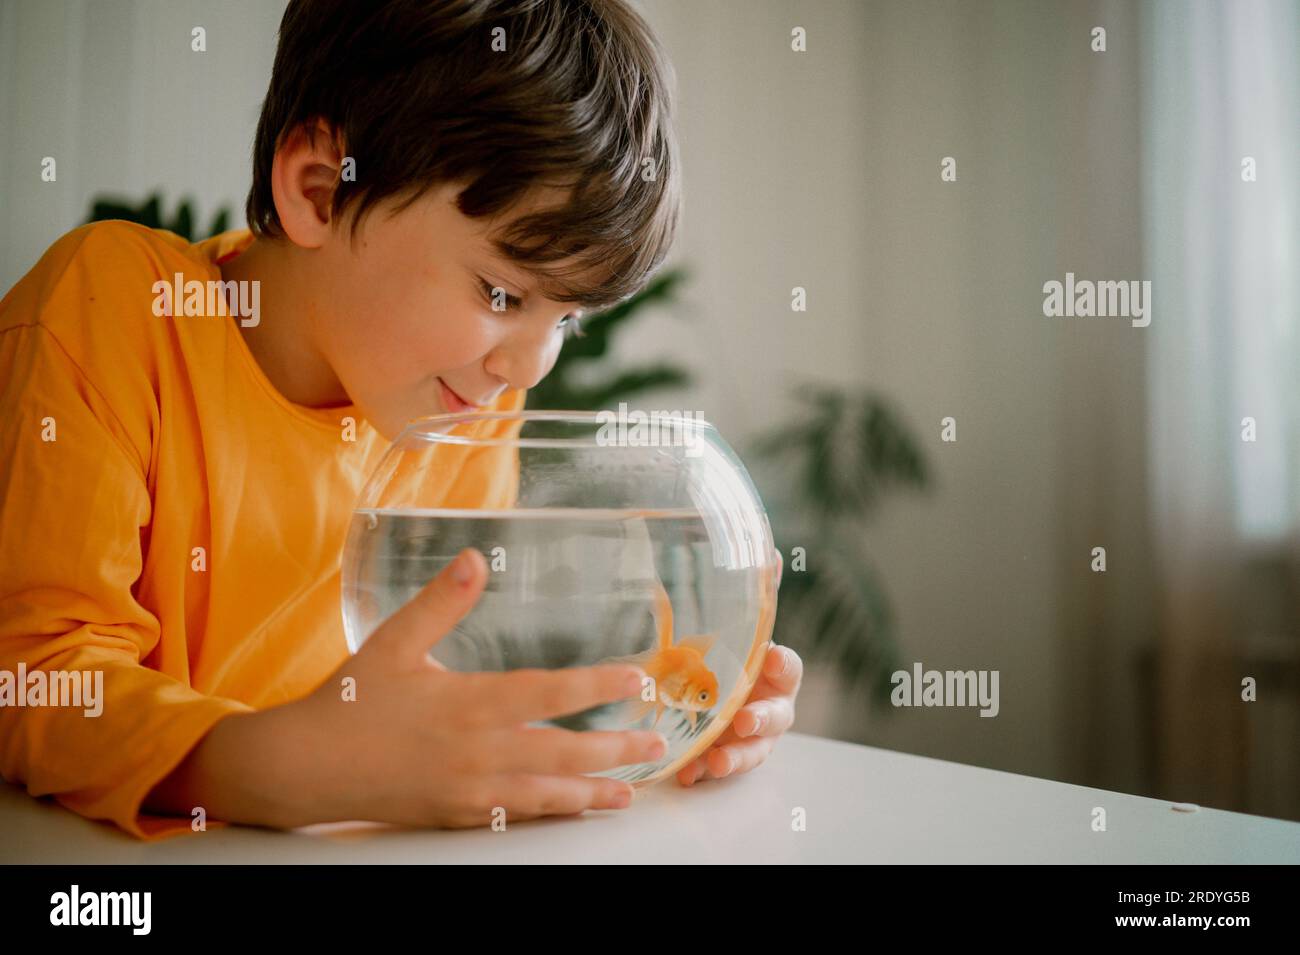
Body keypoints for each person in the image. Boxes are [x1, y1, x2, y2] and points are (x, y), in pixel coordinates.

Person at [0, 0, 801, 840]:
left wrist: (672, 698)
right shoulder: (111, 314)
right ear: (318, 190)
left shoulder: (460, 405)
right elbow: (37, 673)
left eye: (567, 320)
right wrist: (298, 770)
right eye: (502, 294)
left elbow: (462, 680)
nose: (531, 366)